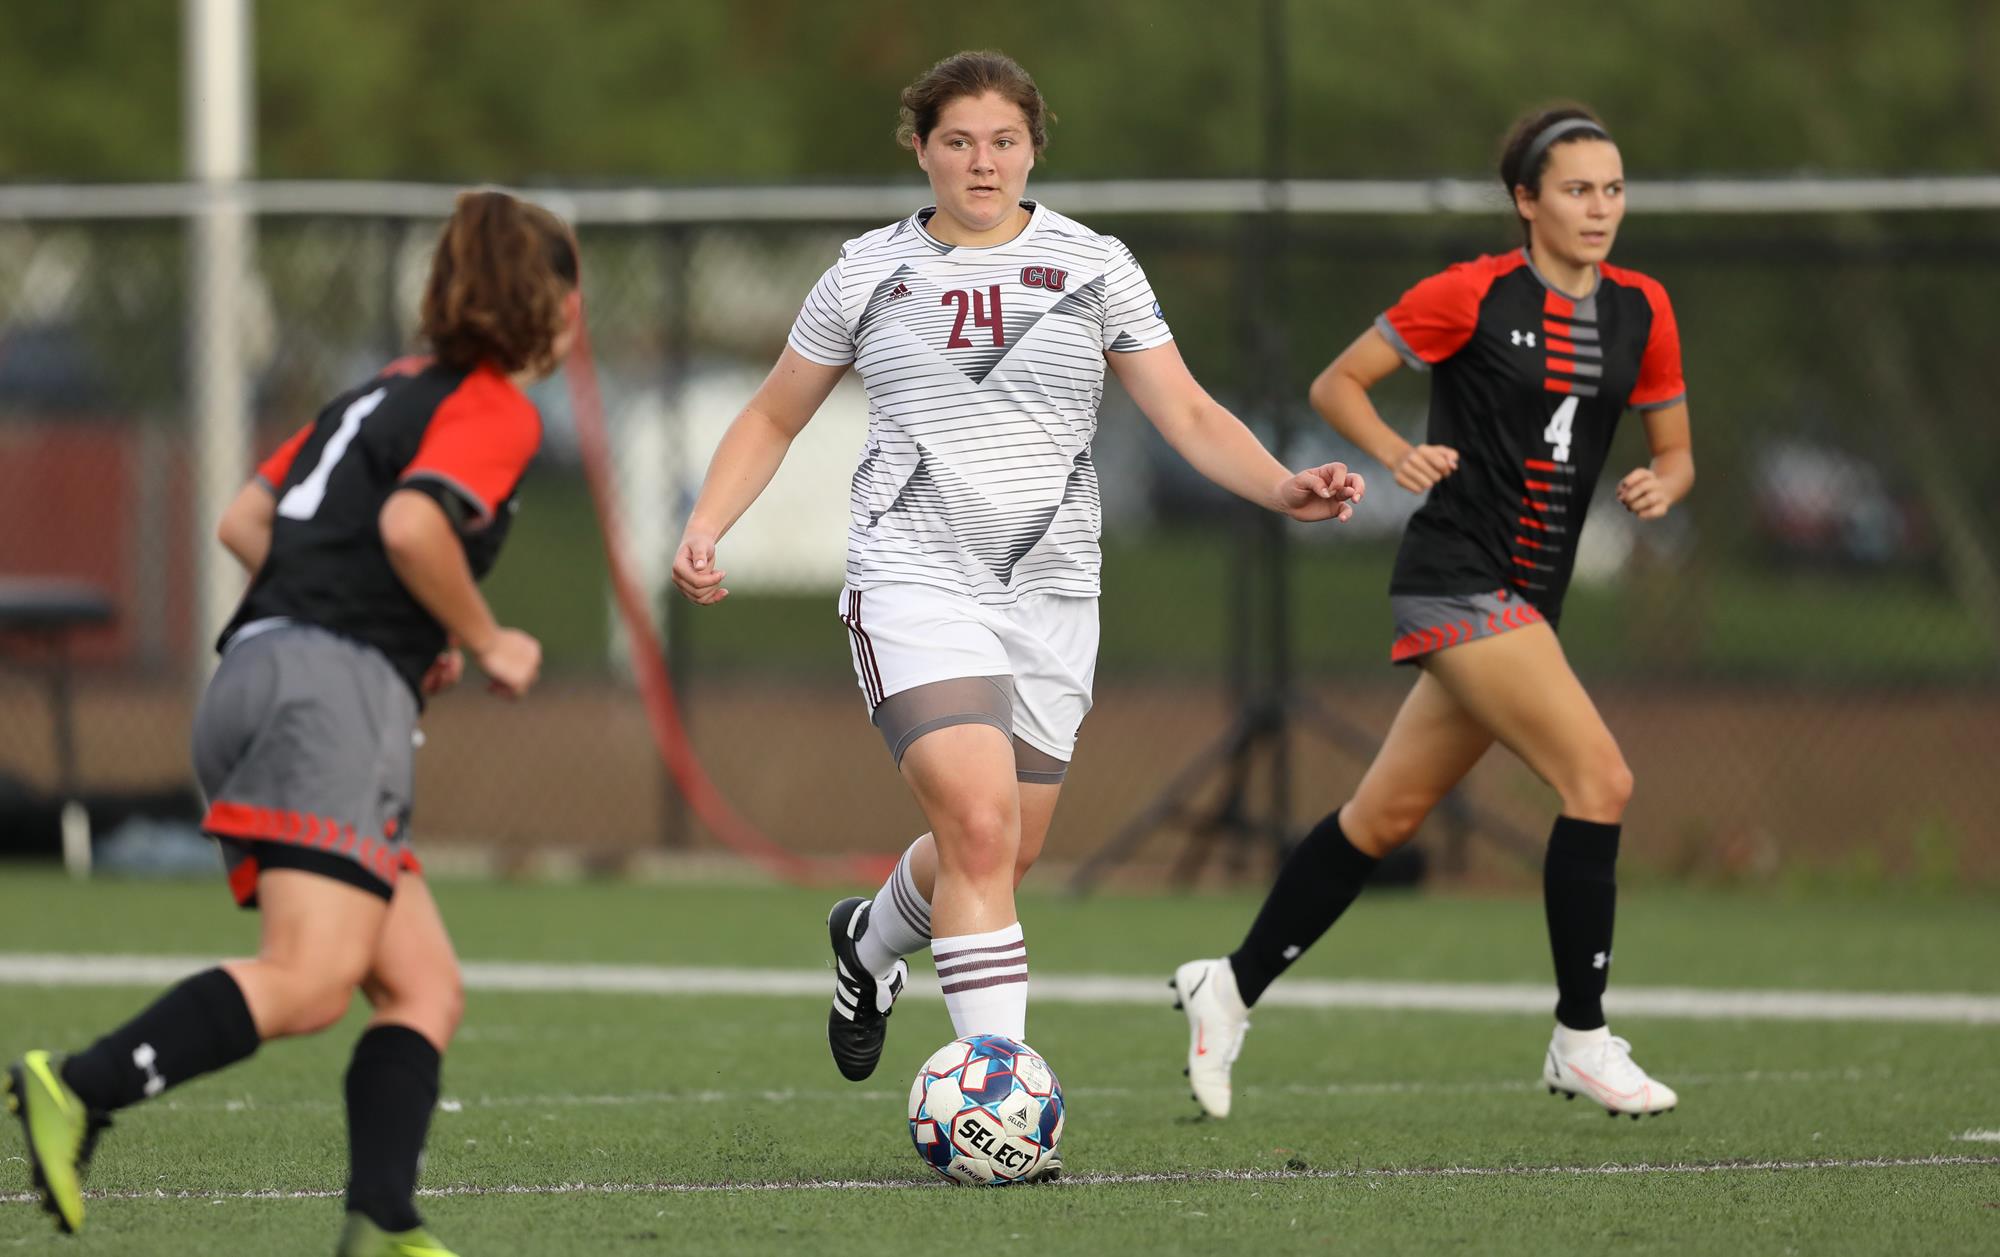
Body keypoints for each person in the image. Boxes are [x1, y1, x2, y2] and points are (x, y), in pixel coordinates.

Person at [670, 50, 1365, 1129]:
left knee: (1000, 851)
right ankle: (995, 1097)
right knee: (981, 830)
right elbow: (772, 415)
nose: (980, 162)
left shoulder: (1094, 265)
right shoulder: (864, 272)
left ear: (1034, 146)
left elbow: (1183, 413)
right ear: (919, 148)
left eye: (1001, 141)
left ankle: (865, 943)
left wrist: (1282, 484)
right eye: (956, 141)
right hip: (912, 579)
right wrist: (707, 525)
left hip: (1050, 592)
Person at [5, 188, 576, 1255]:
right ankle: (79, 1086)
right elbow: (413, 526)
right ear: (550, 305)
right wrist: (485, 637)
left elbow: (244, 519)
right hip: (330, 693)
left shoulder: (381, 389)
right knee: (312, 980)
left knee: (420, 984)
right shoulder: (495, 405)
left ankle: (382, 1219)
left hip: (258, 671)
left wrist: (381, 619)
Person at [1171, 105, 1693, 1121]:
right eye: (1576, 189)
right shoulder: (1470, 294)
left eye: (1612, 189)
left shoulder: (1641, 309)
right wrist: (1391, 449)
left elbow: (1674, 449)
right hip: (1456, 577)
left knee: (1383, 818)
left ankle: (1226, 986)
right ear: (1525, 201)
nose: (1598, 208)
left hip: (1525, 601)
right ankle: (1579, 1039)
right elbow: (1337, 383)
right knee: (1599, 778)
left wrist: (1663, 484)